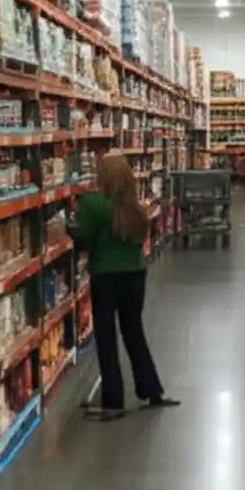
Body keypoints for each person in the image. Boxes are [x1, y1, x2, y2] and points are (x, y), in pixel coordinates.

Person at [69, 152, 180, 421]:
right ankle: (152, 390)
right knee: (134, 332)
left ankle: (113, 401)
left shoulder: (93, 203)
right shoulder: (134, 207)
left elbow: (82, 235)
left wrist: (67, 225)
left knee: (107, 338)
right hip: (135, 275)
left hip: (105, 275)